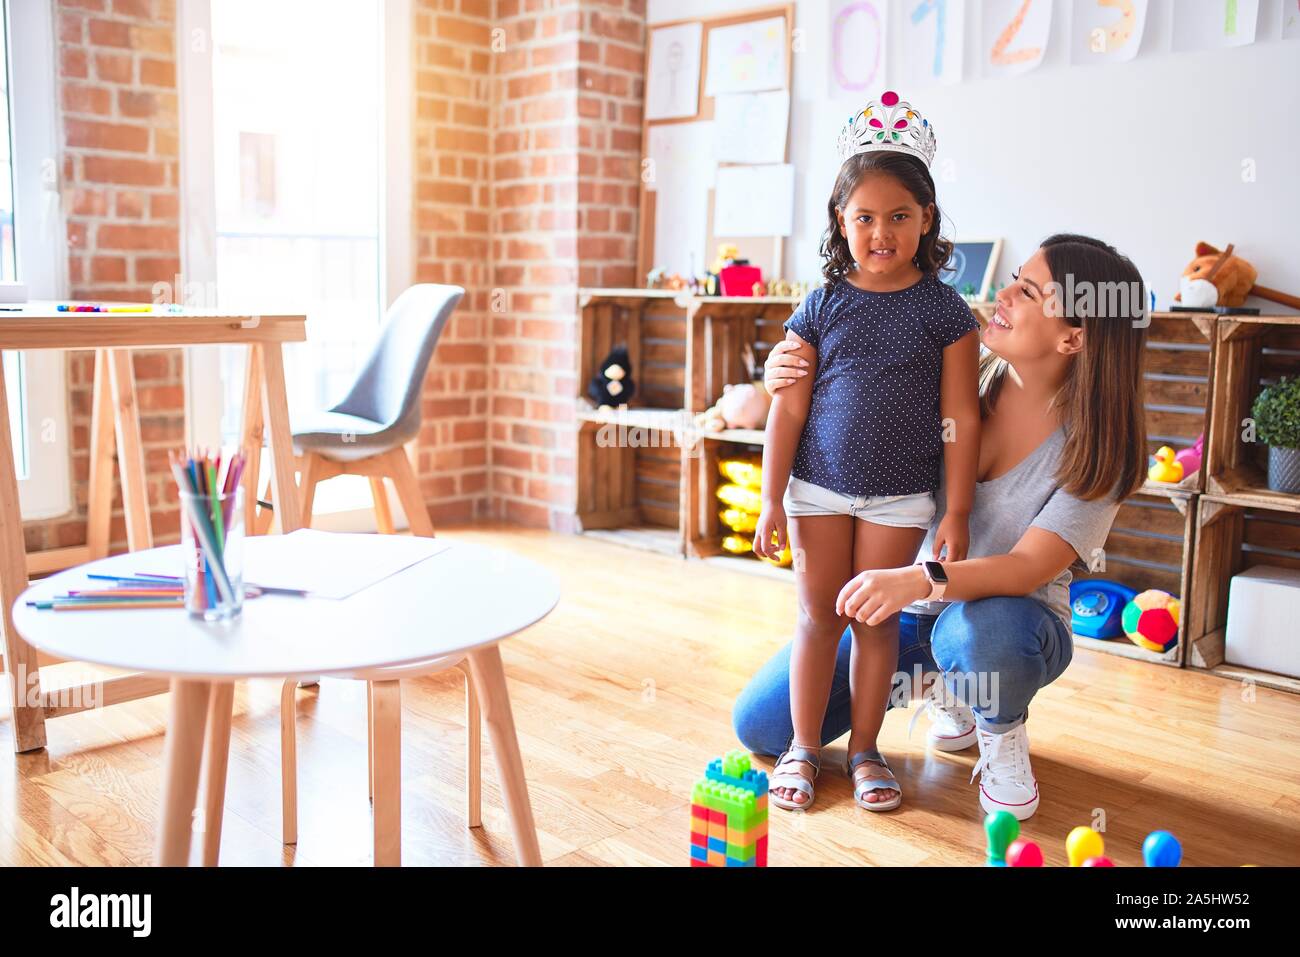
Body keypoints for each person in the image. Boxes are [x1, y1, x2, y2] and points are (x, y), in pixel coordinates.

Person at [738, 232, 1148, 820]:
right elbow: (846, 390)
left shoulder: (1100, 451)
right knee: (762, 726)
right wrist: (792, 366)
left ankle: (1000, 732)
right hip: (907, 611)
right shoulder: (954, 372)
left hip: (1011, 619)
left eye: (1028, 291)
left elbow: (1029, 567)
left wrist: (916, 581)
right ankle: (946, 687)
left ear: (1074, 337)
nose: (1002, 293)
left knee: (981, 633)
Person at [753, 91, 980, 813]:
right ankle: (800, 746)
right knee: (818, 614)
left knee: (874, 620)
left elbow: (961, 417)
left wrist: (958, 509)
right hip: (815, 488)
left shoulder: (947, 311)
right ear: (841, 222)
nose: (881, 232)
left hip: (900, 493)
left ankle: (865, 749)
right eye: (865, 217)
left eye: (900, 216)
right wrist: (767, 498)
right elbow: (787, 411)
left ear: (928, 219)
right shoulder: (820, 305)